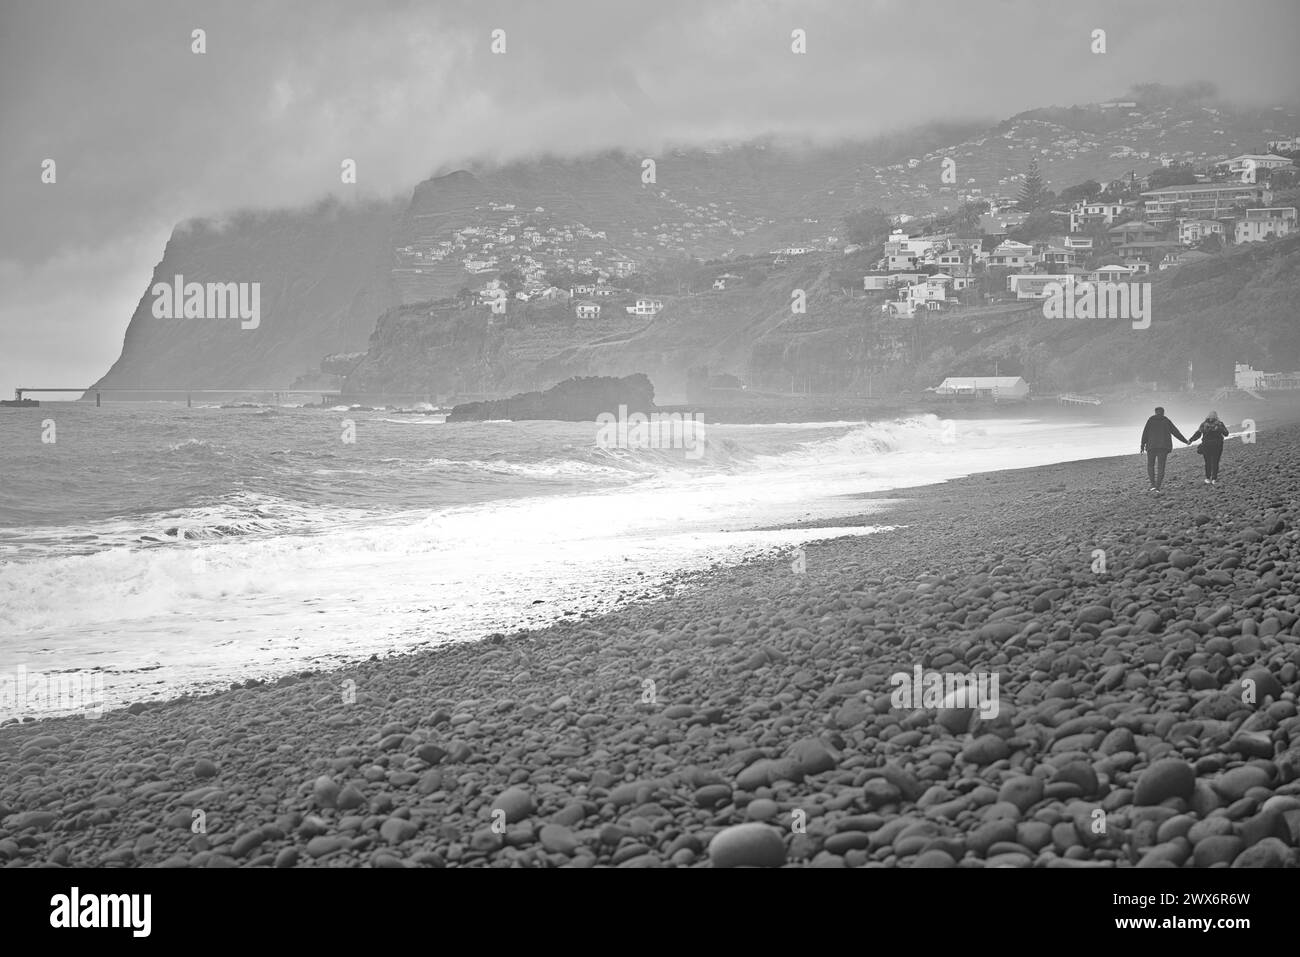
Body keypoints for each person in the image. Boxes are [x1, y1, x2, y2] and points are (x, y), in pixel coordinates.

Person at [1139, 406, 1188, 492]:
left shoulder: (1150, 420)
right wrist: (1185, 441)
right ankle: (1158, 486)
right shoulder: (1166, 421)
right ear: (1163, 412)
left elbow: (1145, 433)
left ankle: (1153, 485)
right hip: (1163, 447)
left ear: (1155, 412)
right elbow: (1176, 432)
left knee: (1150, 465)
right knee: (1161, 467)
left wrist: (1142, 445)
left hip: (1151, 447)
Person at [1188, 411, 1230, 485]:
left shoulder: (1211, 424)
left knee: (1211, 462)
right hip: (1212, 446)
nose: (1211, 417)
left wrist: (1190, 440)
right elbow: (1198, 434)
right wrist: (1191, 440)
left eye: (1212, 416)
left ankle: (1211, 478)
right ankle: (1211, 478)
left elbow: (1226, 434)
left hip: (1212, 446)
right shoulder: (1214, 424)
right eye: (1211, 416)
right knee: (1212, 462)